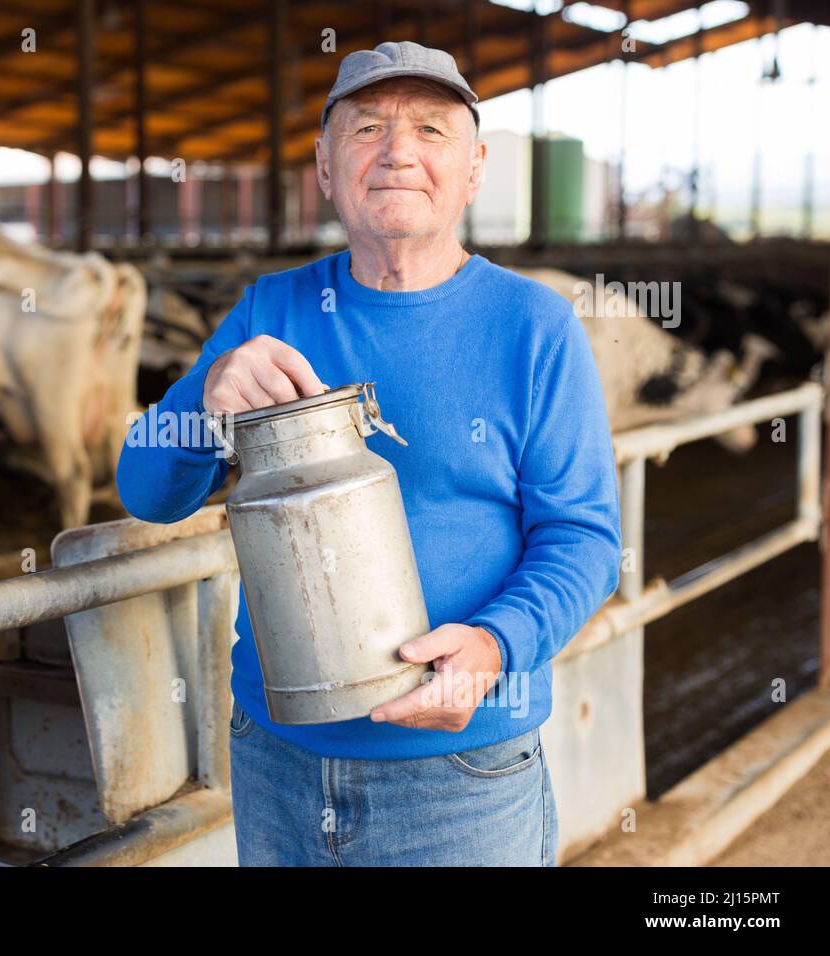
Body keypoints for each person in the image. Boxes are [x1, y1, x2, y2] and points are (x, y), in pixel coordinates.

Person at [115, 41, 622, 866]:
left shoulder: (533, 326)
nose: (397, 152)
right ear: (323, 164)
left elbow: (587, 539)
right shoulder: (271, 309)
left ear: (473, 168)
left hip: (462, 777)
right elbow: (144, 489)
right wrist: (208, 399)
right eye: (366, 130)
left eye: (430, 129)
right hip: (278, 759)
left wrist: (496, 647)